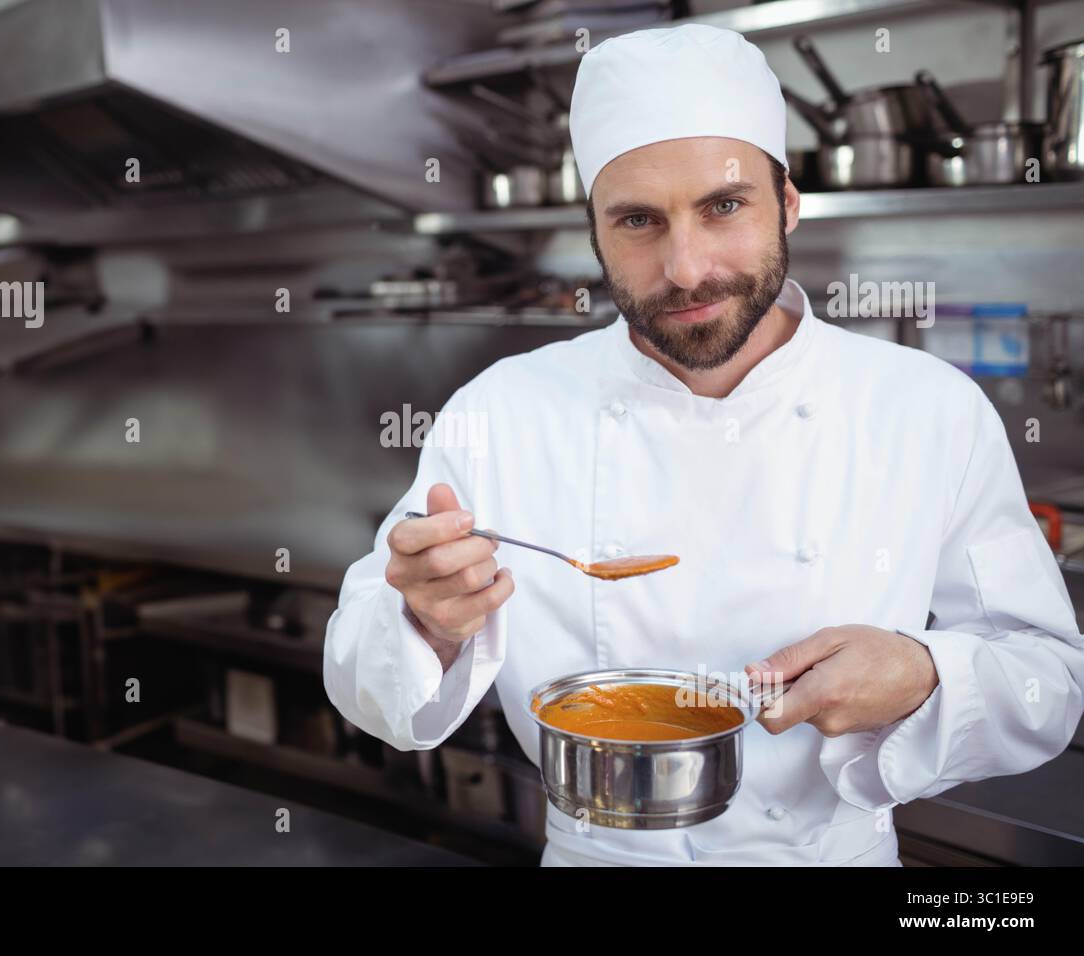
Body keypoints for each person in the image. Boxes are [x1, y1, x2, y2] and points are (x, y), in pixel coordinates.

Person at [323, 23, 1084, 865]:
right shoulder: (503, 410)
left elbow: (1048, 681)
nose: (686, 268)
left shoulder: (927, 407)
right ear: (595, 232)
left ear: (787, 202)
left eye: (724, 206)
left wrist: (925, 673)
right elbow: (367, 684)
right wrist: (426, 624)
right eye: (639, 221)